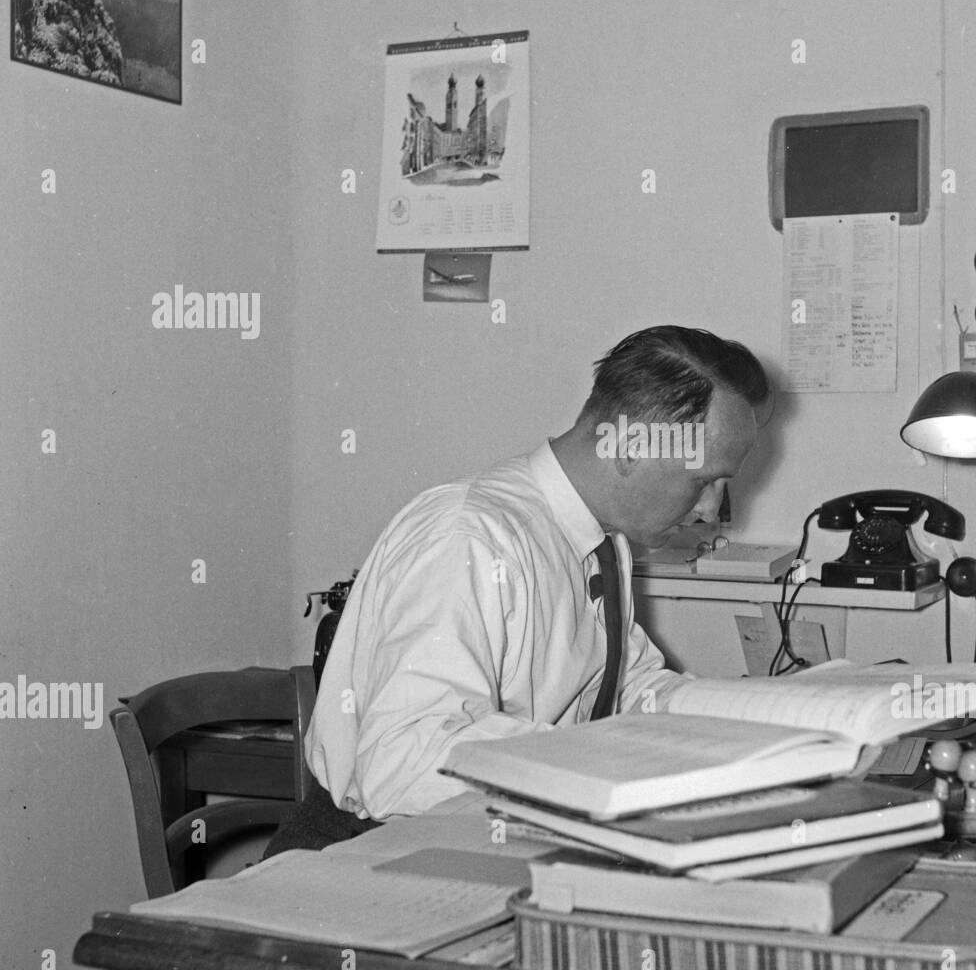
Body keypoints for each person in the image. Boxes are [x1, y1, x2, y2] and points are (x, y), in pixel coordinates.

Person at [267, 326, 769, 851]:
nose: (712, 509)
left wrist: (771, 715)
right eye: (704, 479)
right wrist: (605, 761)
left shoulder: (597, 539)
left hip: (487, 833)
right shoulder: (471, 536)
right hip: (366, 847)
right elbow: (402, 762)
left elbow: (630, 691)